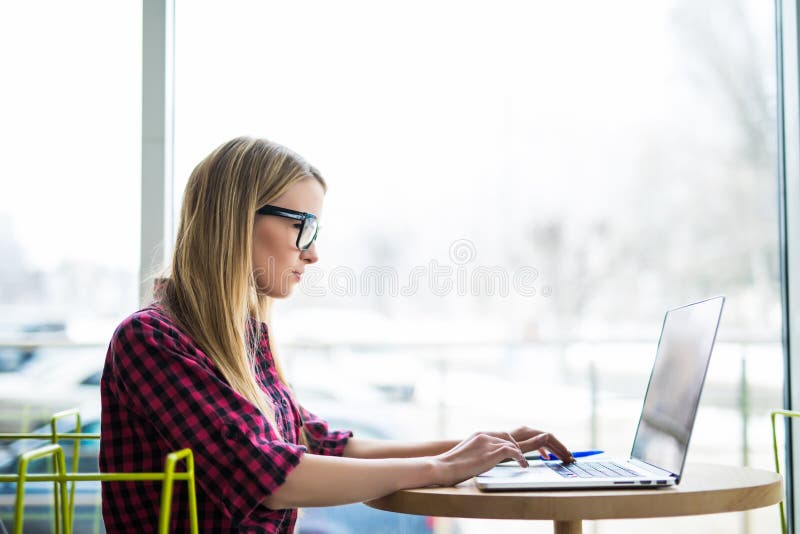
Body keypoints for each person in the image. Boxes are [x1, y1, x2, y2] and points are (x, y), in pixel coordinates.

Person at [99, 136, 574, 533]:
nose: (313, 253)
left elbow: (325, 445)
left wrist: (479, 445)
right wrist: (443, 469)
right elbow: (272, 476)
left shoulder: (238, 340)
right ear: (237, 219)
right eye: (302, 227)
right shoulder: (150, 339)